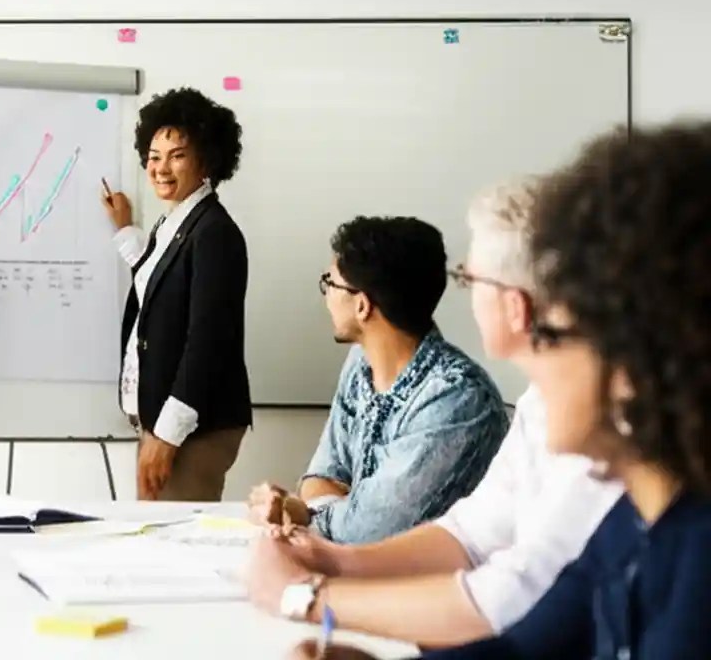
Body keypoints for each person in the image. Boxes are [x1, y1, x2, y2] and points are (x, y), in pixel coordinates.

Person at [292, 121, 711, 659]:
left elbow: (508, 599)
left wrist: (308, 593)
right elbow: (527, 646)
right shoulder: (632, 521)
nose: (536, 340)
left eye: (554, 326)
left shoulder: (692, 553)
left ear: (638, 348)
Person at [245, 179, 622, 648]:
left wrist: (304, 594)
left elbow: (513, 592)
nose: (460, 291)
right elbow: (470, 533)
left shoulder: (476, 400)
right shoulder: (539, 400)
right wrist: (327, 558)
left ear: (515, 305)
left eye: (470, 279)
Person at [265, 217, 508, 544]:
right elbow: (322, 475)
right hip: (361, 572)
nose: (326, 296)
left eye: (331, 283)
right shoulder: (360, 360)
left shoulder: (456, 399)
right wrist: (326, 509)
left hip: (434, 584)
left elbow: (369, 530)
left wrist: (306, 513)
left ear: (362, 305)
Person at [101, 87, 251, 501]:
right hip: (166, 423)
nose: (161, 168)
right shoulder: (177, 224)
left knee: (174, 550)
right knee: (153, 543)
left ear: (206, 161)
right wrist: (125, 230)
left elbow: (208, 341)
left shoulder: (214, 232)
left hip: (190, 430)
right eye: (153, 156)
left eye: (177, 155)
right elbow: (157, 284)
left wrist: (166, 436)